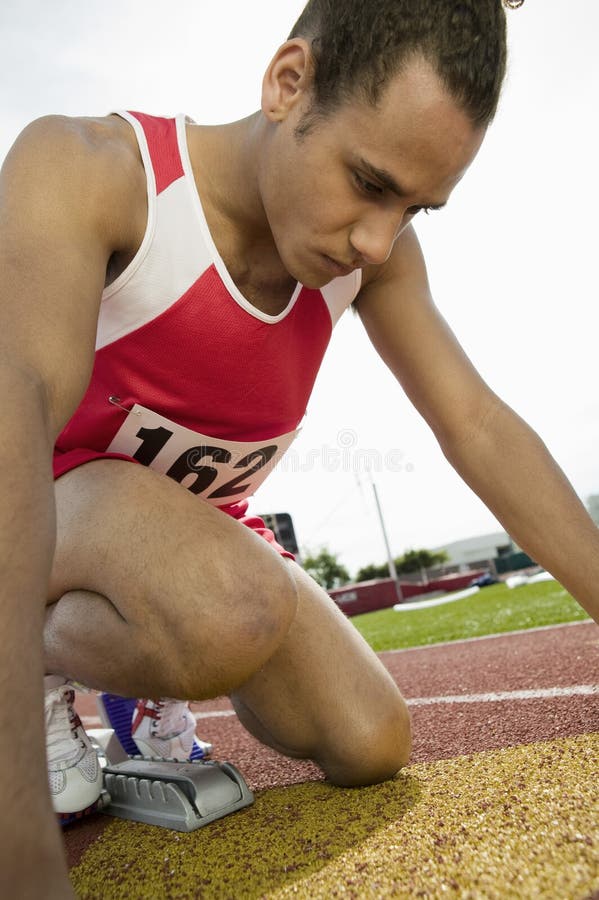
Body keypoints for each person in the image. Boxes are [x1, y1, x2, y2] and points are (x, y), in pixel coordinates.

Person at [1, 0, 597, 894]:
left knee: (369, 742)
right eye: (367, 181)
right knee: (227, 603)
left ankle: (138, 664)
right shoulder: (89, 170)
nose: (376, 239)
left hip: (203, 549)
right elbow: (18, 415)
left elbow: (474, 423)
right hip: (50, 515)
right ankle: (43, 669)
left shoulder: (373, 258)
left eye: (414, 209)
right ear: (288, 84)